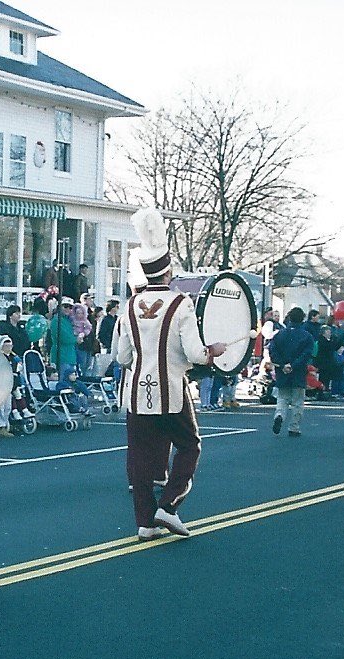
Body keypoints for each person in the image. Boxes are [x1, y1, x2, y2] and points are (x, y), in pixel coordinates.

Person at [114, 208, 226, 540]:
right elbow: (194, 353)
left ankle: (145, 522)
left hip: (136, 391)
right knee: (190, 446)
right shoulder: (181, 304)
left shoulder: (129, 306)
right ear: (170, 271)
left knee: (140, 459)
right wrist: (211, 352)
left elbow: (121, 356)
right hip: (172, 390)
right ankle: (169, 506)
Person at [265, 308, 315, 437]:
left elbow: (272, 351)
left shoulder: (279, 334)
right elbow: (307, 354)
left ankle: (279, 414)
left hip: (282, 371)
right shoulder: (307, 336)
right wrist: (293, 365)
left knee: (282, 398)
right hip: (298, 371)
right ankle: (294, 427)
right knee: (298, 401)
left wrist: (282, 365)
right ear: (302, 319)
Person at [46, 298, 78, 374]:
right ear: (59, 307)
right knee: (63, 382)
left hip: (70, 357)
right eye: (65, 306)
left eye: (70, 307)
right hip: (61, 357)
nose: (68, 309)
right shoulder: (56, 320)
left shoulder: (69, 321)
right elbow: (64, 338)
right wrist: (76, 339)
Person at [71, 302, 95, 374]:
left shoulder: (86, 321)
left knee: (88, 364)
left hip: (87, 344)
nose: (80, 315)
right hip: (78, 345)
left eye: (81, 313)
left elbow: (89, 328)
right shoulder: (72, 321)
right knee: (82, 363)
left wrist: (83, 333)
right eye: (78, 313)